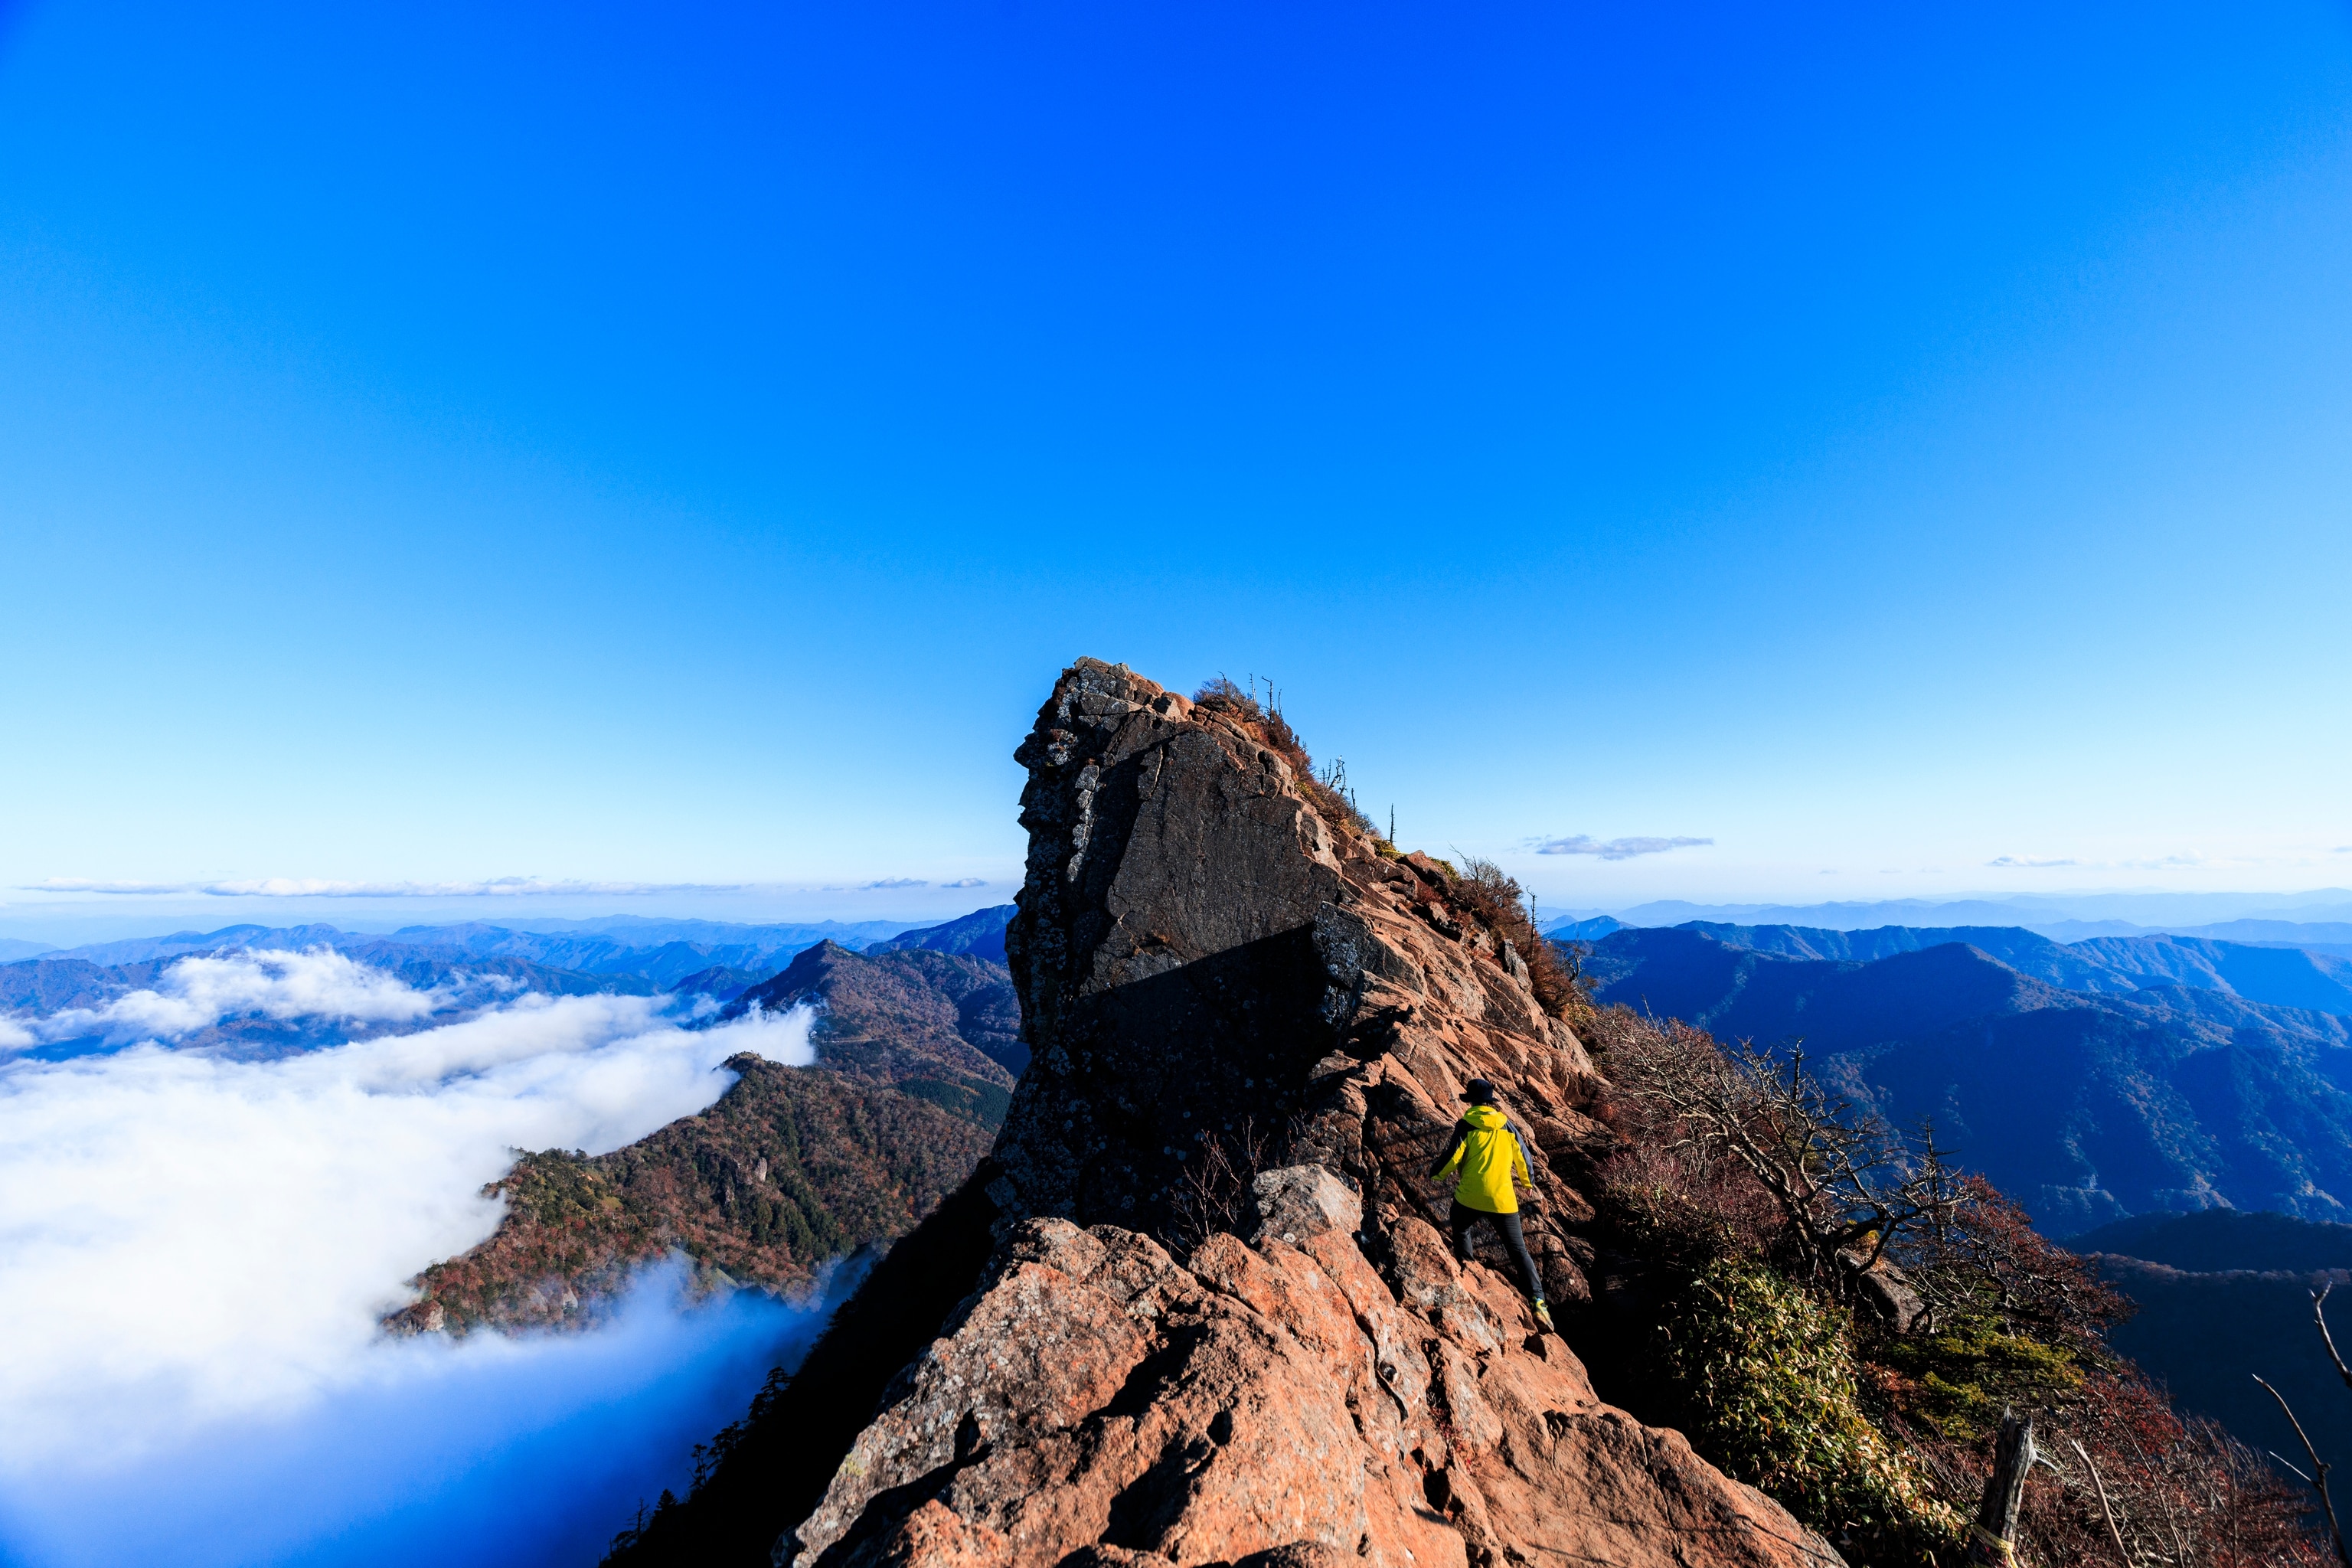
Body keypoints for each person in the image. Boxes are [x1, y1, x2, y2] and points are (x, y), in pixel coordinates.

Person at [1426, 1077, 1553, 1331]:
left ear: (1471, 1102)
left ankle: (1467, 1271)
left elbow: (1453, 1156)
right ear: (1491, 1102)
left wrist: (1436, 1174)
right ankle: (1538, 1302)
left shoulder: (1466, 1125)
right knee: (1519, 1252)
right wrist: (1528, 1184)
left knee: (1461, 1228)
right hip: (1503, 1200)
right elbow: (1523, 1156)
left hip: (1470, 1196)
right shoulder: (1507, 1126)